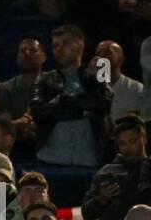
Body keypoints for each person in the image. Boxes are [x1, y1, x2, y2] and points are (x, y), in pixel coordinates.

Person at [32, 25, 111, 167]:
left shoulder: (95, 75)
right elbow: (38, 112)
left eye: (65, 43)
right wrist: (81, 108)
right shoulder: (44, 79)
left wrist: (65, 104)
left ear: (80, 46)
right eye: (55, 45)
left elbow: (104, 103)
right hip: (50, 159)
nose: (59, 49)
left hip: (89, 160)